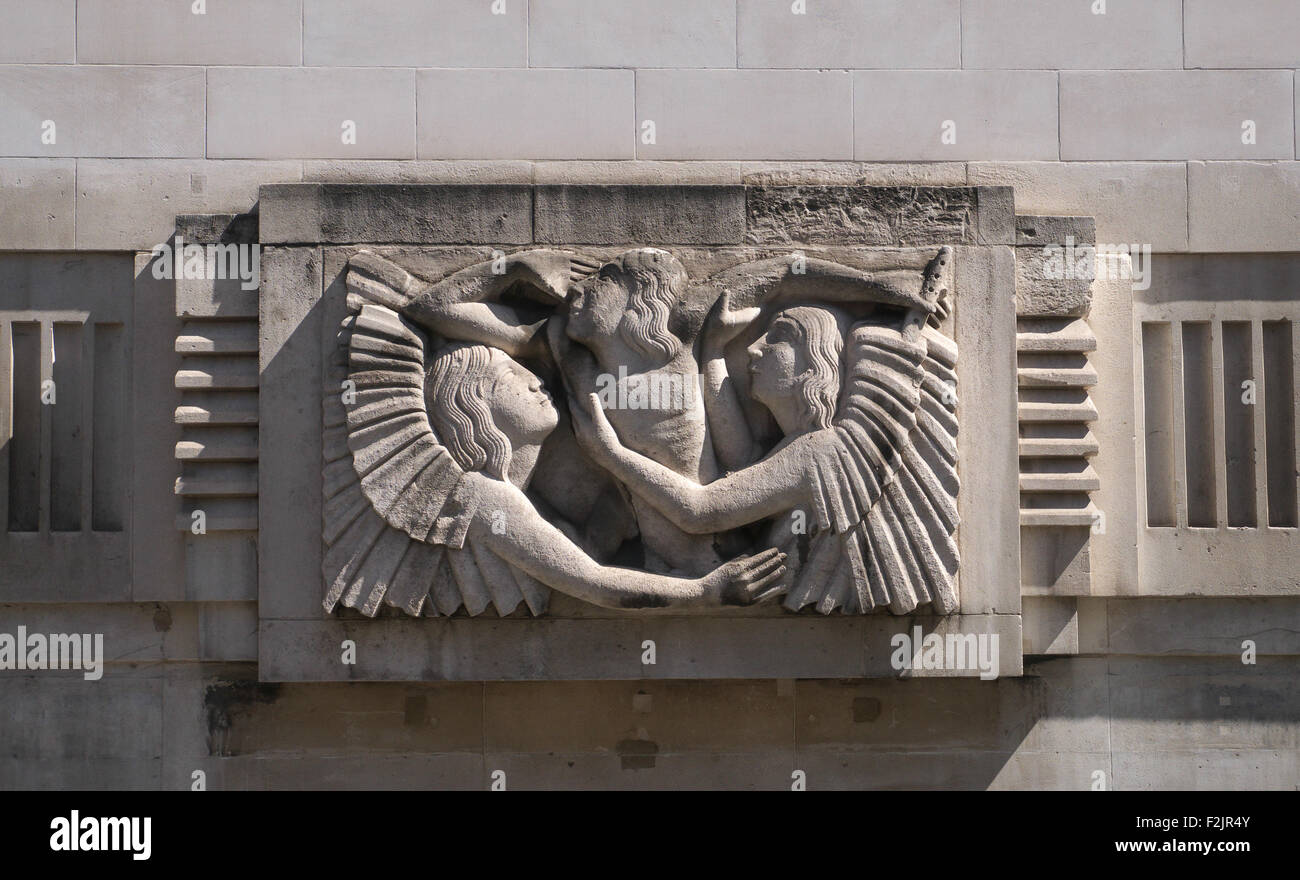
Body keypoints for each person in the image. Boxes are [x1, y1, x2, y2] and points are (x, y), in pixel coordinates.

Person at [571, 248, 960, 615]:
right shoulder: (796, 446)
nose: (754, 347)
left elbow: (701, 511)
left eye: (778, 338)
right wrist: (714, 353)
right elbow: (742, 465)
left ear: (812, 367)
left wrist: (611, 454)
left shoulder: (820, 452)